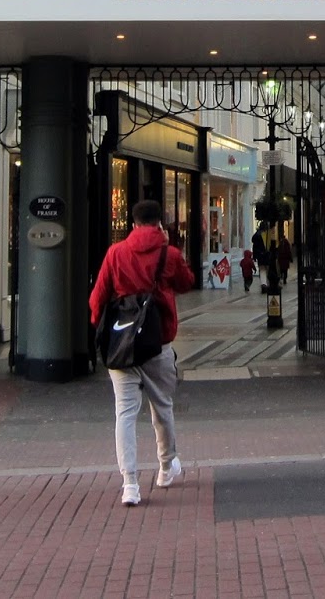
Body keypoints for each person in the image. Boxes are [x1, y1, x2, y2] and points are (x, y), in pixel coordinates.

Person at [88, 198, 195, 507]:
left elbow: (98, 298)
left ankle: (130, 484)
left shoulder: (115, 253)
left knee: (125, 413)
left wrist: (100, 331)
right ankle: (165, 467)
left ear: (132, 223)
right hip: (157, 343)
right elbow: (186, 283)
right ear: (159, 222)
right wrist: (168, 249)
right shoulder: (169, 253)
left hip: (122, 347)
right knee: (162, 407)